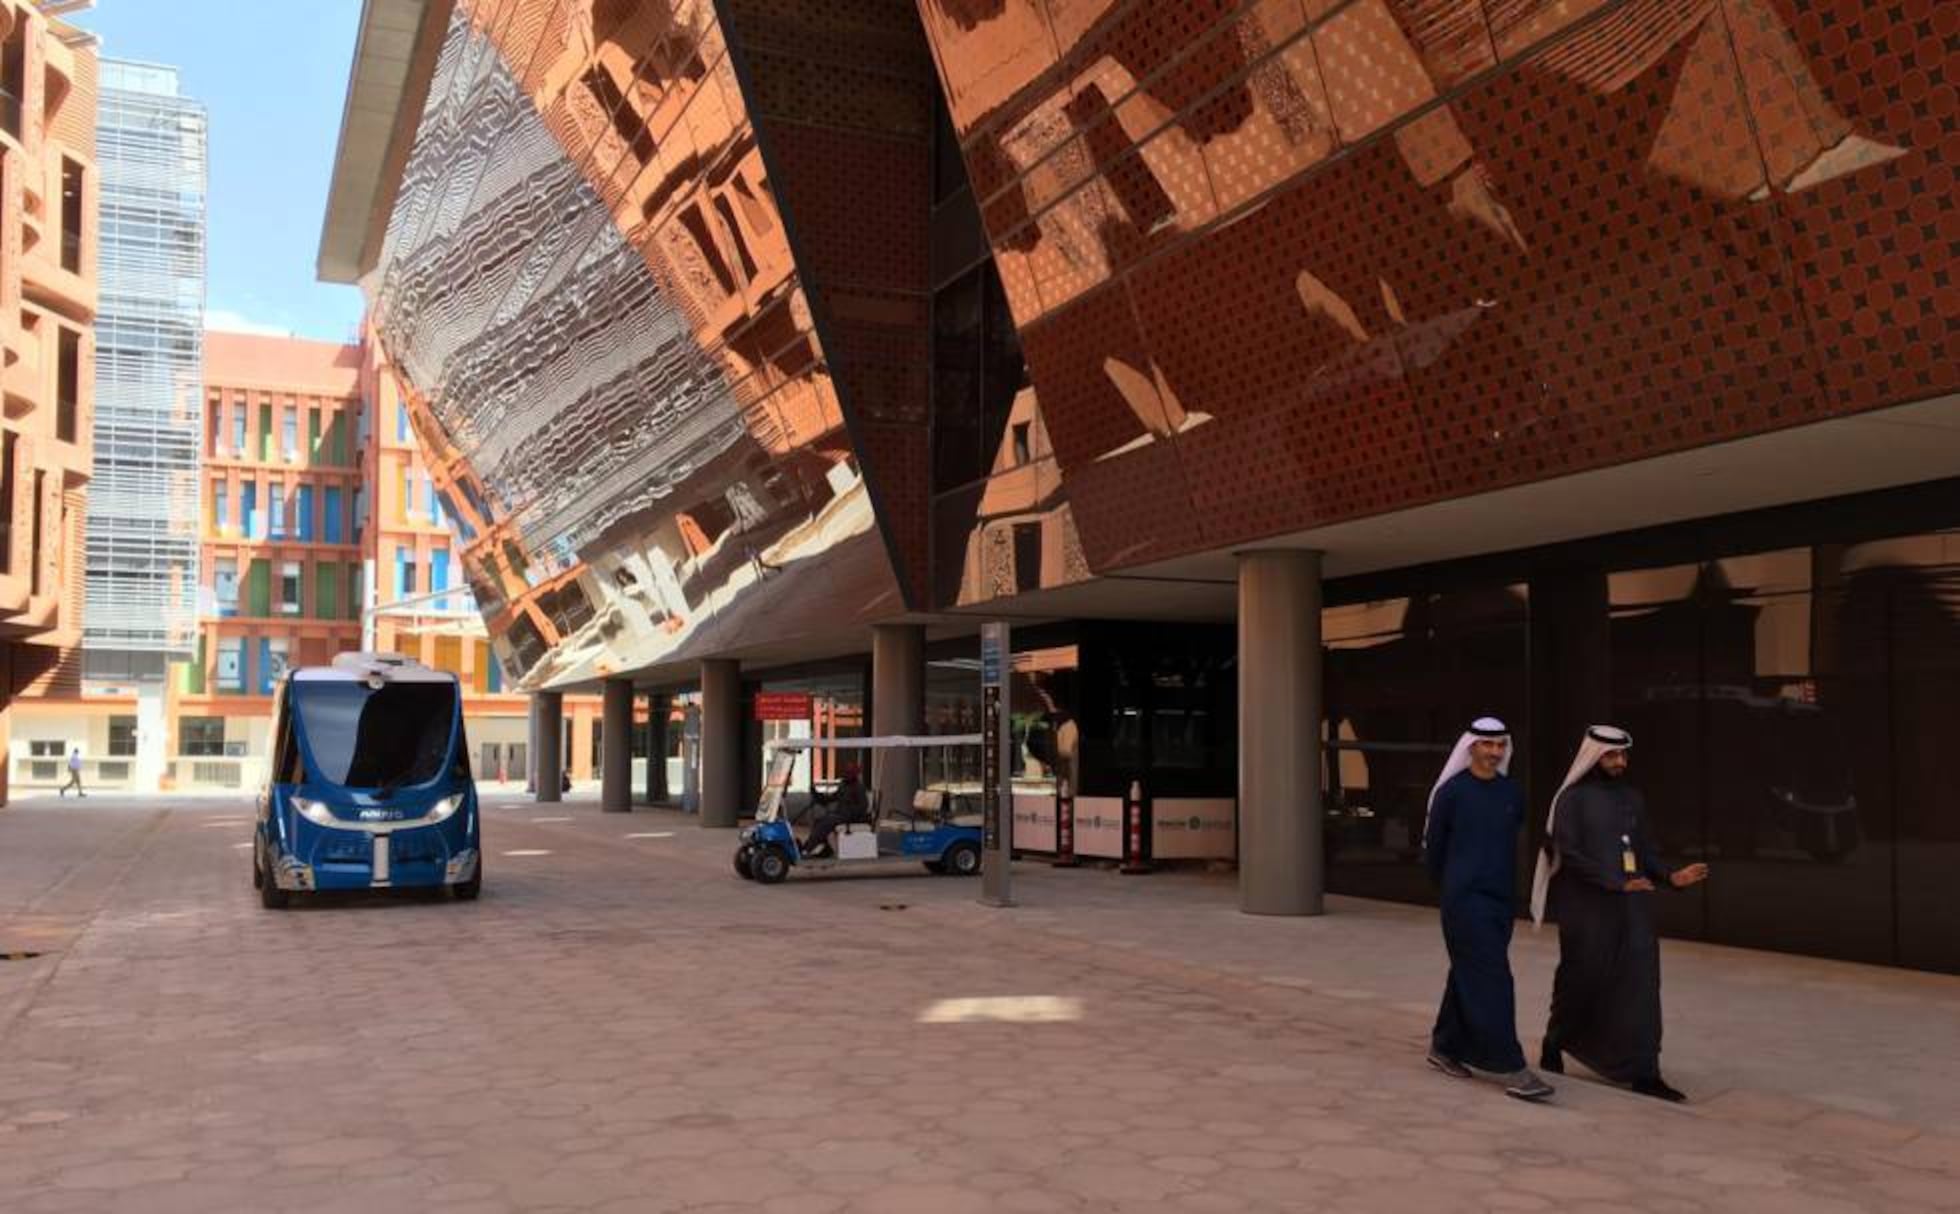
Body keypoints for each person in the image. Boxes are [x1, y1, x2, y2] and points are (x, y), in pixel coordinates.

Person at [1531, 726, 1710, 1102]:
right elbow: (1569, 853)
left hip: (1632, 908)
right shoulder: (1571, 799)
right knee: (1582, 979)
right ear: (1594, 756)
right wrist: (1615, 882)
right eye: (1612, 756)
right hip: (1587, 910)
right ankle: (1556, 1040)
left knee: (1641, 985)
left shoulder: (1632, 797)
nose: (1620, 762)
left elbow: (1645, 850)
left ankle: (1645, 1071)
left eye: (1624, 756)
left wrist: (1671, 878)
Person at [1422, 717, 1553, 1102]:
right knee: (1494, 979)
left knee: (1470, 971)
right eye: (1487, 745)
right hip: (1464, 902)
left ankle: (1445, 1047)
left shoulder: (1511, 791)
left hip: (1500, 902)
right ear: (1471, 748)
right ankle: (1511, 1066)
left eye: (1500, 745)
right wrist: (1453, 889)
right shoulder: (1452, 793)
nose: (1494, 752)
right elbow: (1435, 853)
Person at [801, 762, 870, 857]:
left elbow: (863, 806)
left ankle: (806, 849)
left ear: (854, 774)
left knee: (827, 822)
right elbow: (831, 798)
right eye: (845, 772)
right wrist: (817, 795)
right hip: (840, 815)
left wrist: (847, 812)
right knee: (819, 821)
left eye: (849, 773)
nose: (845, 775)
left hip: (852, 817)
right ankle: (826, 850)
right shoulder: (843, 785)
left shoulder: (858, 787)